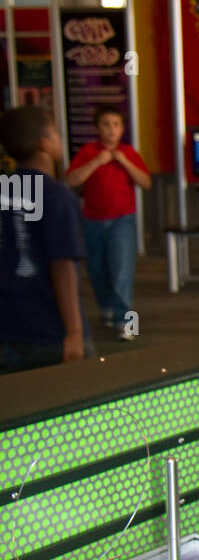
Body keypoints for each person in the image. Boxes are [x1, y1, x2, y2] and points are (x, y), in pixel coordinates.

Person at [0, 105, 90, 373]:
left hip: (8, 327)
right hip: (50, 328)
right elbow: (62, 266)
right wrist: (74, 332)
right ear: (45, 144)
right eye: (54, 132)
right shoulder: (56, 195)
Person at [66, 104, 150, 339]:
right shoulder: (88, 151)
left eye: (116, 125)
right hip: (93, 220)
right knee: (96, 269)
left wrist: (124, 161)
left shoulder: (129, 153)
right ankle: (106, 308)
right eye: (106, 125)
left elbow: (145, 182)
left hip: (123, 220)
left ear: (122, 129)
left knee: (122, 270)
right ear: (97, 128)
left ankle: (126, 322)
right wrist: (97, 162)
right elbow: (72, 179)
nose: (111, 130)